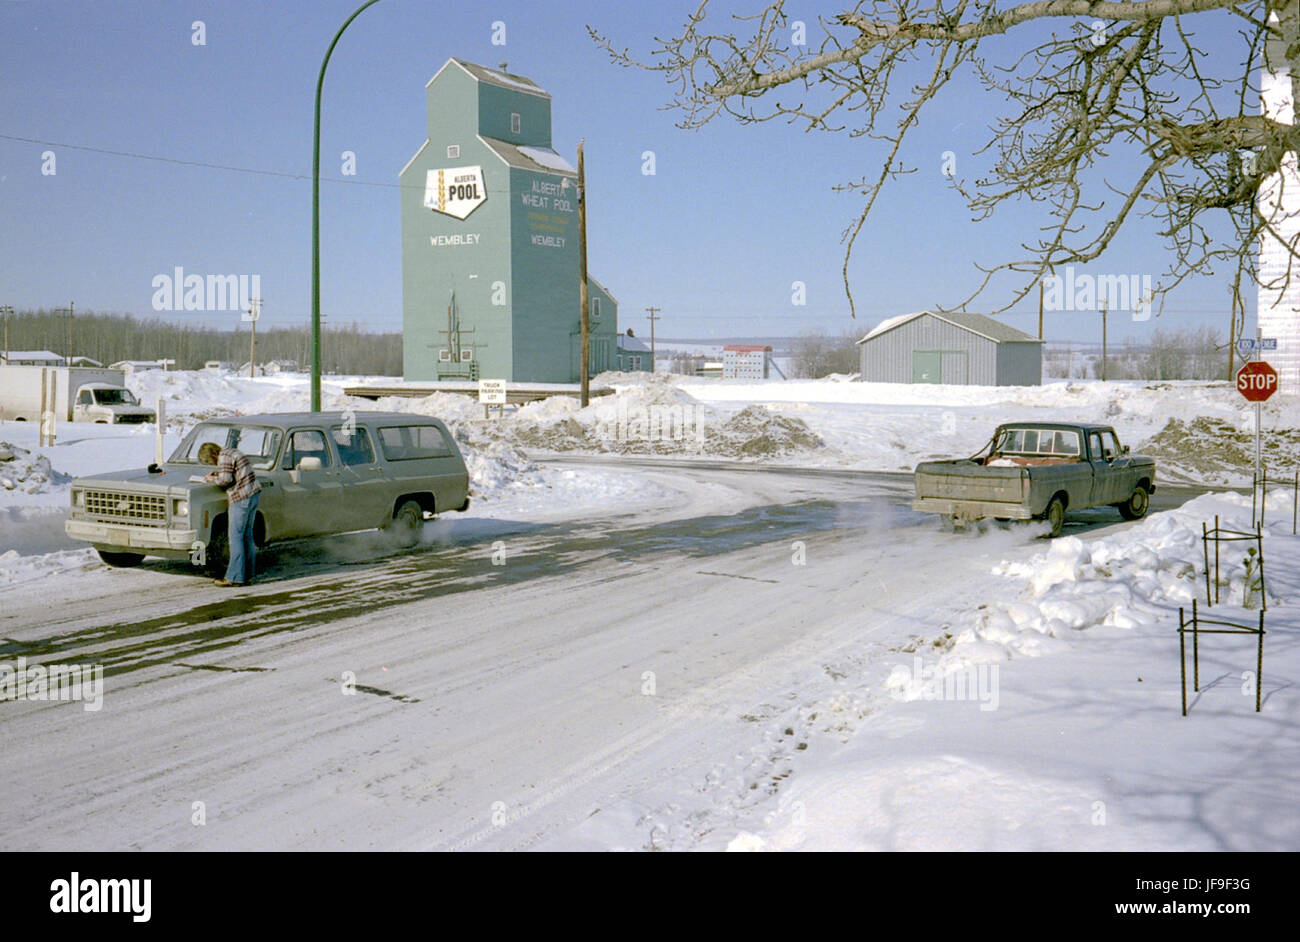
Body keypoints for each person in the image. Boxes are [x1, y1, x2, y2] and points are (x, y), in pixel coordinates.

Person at [198, 441, 262, 587]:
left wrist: (211, 478)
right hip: (253, 495)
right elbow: (232, 473)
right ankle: (248, 575)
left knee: (235, 538)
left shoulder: (224, 457)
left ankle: (234, 577)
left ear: (213, 454)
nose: (211, 463)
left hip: (241, 498)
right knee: (247, 537)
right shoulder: (232, 452)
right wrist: (219, 473)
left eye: (208, 460)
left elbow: (225, 480)